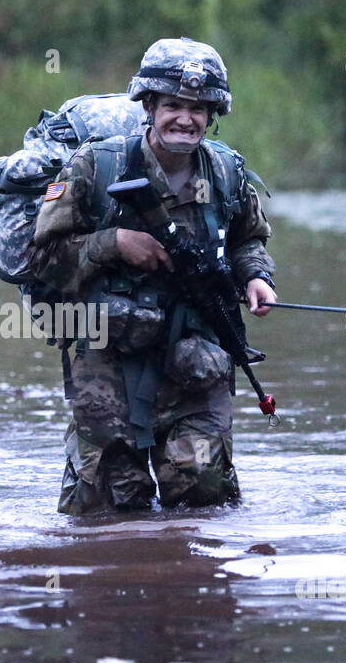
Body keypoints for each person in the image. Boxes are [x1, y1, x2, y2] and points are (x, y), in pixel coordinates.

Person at [31, 37, 277, 514]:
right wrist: (114, 243)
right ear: (149, 106)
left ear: (212, 114)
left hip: (198, 353)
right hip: (107, 358)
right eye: (173, 105)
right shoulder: (94, 168)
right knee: (108, 503)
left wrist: (256, 278)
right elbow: (39, 258)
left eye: (198, 108)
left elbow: (250, 239)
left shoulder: (226, 173)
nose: (186, 118)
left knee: (205, 498)